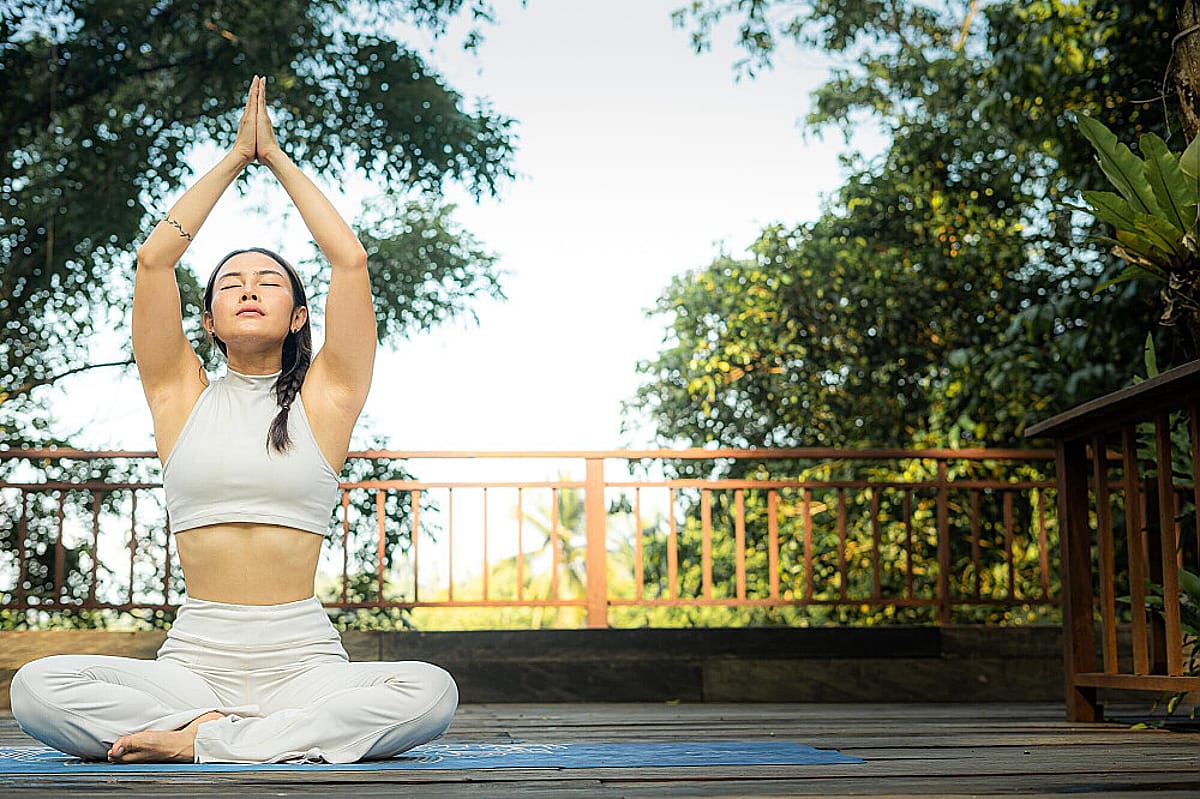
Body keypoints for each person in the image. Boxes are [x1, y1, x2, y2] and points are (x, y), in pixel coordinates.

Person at [8, 76, 458, 764]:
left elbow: (351, 260)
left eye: (270, 281)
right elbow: (154, 259)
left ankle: (209, 741)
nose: (249, 287)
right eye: (231, 283)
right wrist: (232, 158)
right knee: (37, 688)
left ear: (299, 315)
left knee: (431, 690)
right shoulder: (178, 394)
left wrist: (275, 159)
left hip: (303, 664)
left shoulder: (327, 398)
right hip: (192, 667)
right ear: (209, 320)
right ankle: (239, 737)